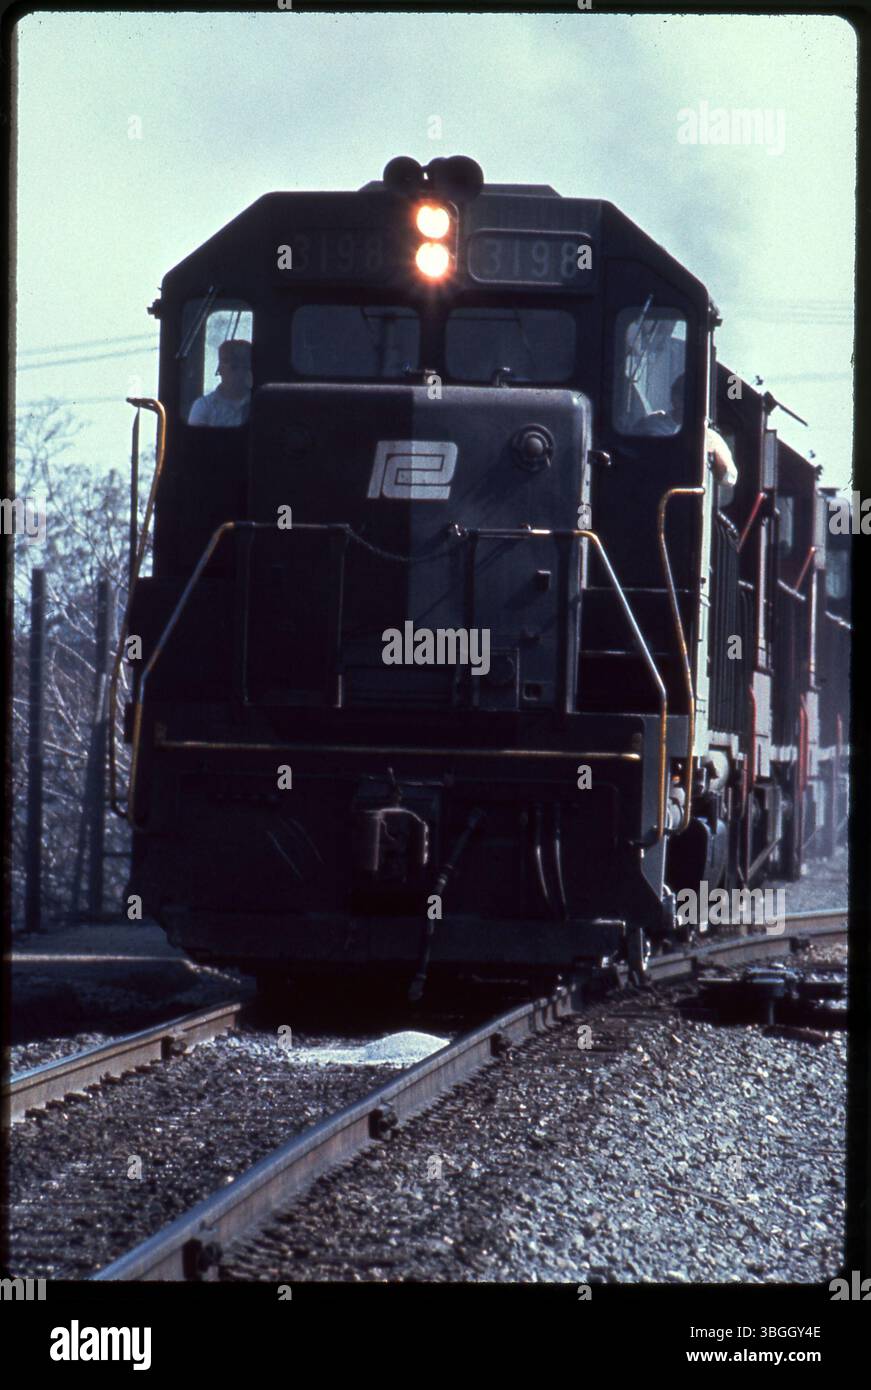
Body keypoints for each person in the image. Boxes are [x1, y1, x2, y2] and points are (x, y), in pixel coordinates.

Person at [188, 339, 252, 426]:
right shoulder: (203, 406)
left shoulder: (261, 406)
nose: (230, 370)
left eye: (235, 366)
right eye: (225, 362)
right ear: (220, 369)